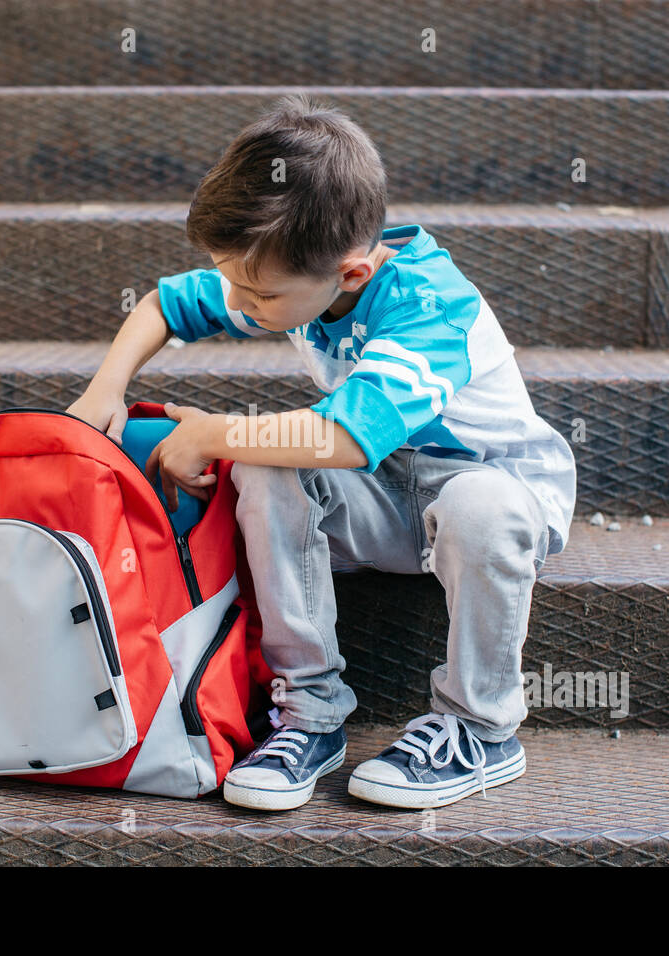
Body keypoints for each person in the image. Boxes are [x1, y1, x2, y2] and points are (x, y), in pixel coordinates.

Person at [66, 92, 576, 811]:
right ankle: (310, 712)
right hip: (384, 494)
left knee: (477, 507)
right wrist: (104, 392)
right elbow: (162, 305)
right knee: (267, 462)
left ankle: (482, 728)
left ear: (352, 274)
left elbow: (340, 437)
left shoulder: (432, 305)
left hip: (490, 492)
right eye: (232, 280)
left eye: (259, 295)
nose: (240, 305)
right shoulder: (283, 269)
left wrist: (211, 433)